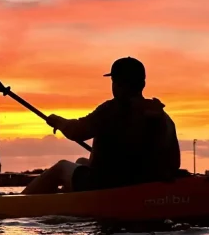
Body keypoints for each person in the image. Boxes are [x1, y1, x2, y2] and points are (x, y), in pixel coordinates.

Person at [23, 57, 179, 194]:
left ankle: (18, 202)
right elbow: (174, 162)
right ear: (142, 83)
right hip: (145, 181)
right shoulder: (163, 116)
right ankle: (69, 199)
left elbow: (76, 131)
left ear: (117, 84)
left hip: (111, 185)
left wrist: (58, 121)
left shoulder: (113, 109)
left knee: (62, 167)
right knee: (82, 162)